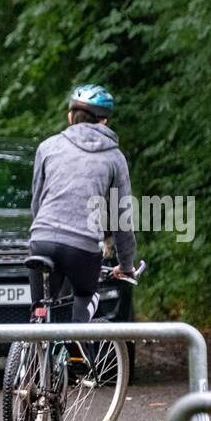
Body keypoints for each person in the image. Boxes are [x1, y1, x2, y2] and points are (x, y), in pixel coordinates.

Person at [28, 84, 137, 323]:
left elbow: (37, 203)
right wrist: (126, 265)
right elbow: (123, 217)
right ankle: (78, 350)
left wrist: (40, 235)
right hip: (82, 245)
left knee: (40, 308)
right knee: (85, 293)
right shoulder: (114, 157)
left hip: (41, 240)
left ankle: (32, 346)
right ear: (104, 121)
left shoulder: (47, 147)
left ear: (70, 117)